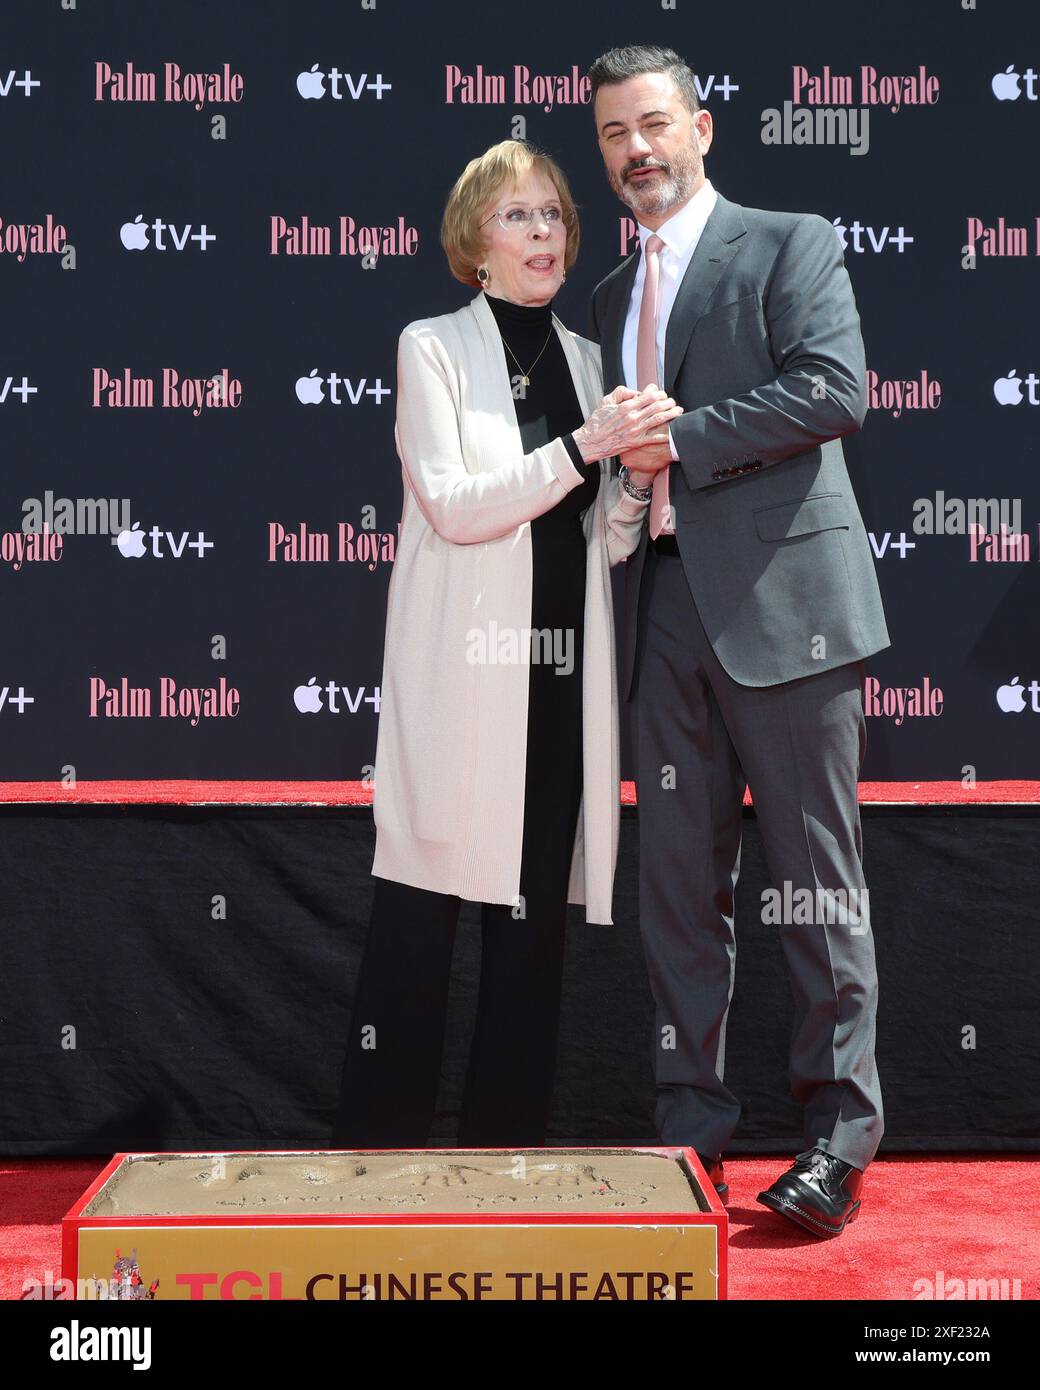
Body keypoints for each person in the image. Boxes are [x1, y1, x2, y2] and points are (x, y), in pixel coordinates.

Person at [585, 44, 891, 1237]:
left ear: (700, 129)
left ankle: (835, 1139)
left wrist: (681, 439)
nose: (635, 151)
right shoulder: (611, 299)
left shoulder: (787, 238)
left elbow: (834, 389)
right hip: (661, 613)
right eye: (612, 134)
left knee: (817, 883)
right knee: (675, 888)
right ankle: (688, 1134)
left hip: (787, 609)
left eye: (652, 125)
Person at [333, 139, 680, 1148]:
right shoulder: (431, 345)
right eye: (520, 216)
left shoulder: (584, 361)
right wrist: (585, 448)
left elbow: (597, 538)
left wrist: (628, 481)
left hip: (557, 689)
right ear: (474, 242)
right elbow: (453, 506)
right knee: (415, 933)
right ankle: (377, 1162)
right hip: (462, 684)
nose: (545, 233)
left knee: (529, 950)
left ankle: (503, 1162)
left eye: (556, 217)